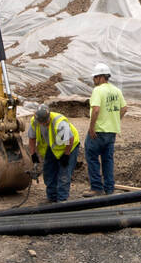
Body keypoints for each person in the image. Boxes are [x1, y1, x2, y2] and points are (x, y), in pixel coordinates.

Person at [84, 61, 127, 197]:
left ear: (101, 77)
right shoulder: (116, 90)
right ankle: (109, 188)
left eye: (95, 77)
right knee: (108, 160)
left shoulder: (98, 90)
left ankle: (96, 188)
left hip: (98, 131)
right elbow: (124, 108)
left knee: (92, 158)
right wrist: (115, 120)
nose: (94, 80)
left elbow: (96, 110)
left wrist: (91, 128)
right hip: (111, 131)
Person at [27, 103, 81, 203]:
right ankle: (51, 198)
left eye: (45, 122)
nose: (43, 124)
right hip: (53, 147)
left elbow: (70, 138)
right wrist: (33, 154)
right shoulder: (35, 122)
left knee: (64, 174)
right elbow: (32, 138)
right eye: (42, 122)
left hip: (69, 147)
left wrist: (66, 155)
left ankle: (62, 200)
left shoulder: (59, 122)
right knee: (48, 172)